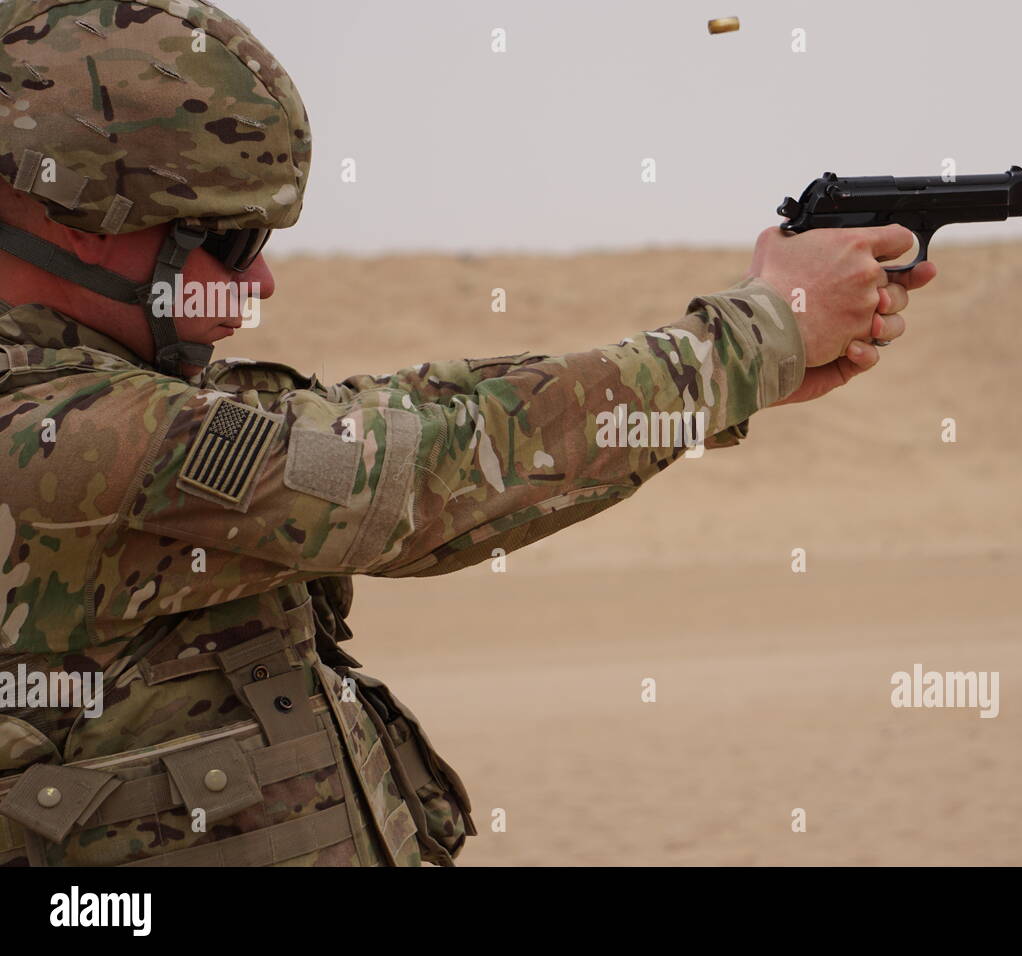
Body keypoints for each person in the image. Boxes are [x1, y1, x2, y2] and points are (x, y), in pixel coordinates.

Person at [0, 0, 935, 867]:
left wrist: (736, 378)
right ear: (76, 220)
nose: (261, 285)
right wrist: (754, 336)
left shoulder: (103, 391)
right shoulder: (59, 435)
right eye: (230, 242)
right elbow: (406, 479)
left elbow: (413, 412)